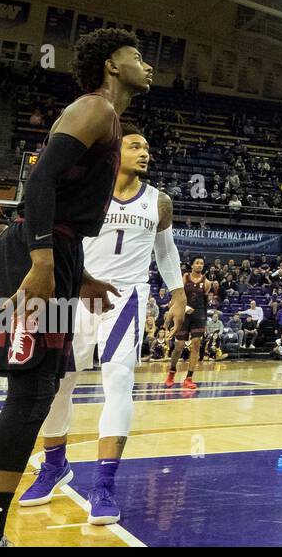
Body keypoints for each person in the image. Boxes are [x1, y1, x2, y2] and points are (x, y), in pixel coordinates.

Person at [0, 28, 150, 548]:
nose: (146, 65)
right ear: (111, 65)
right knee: (30, 388)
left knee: (39, 386)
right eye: (136, 56)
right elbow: (38, 184)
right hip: (35, 253)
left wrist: (75, 273)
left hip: (58, 256)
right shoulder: (95, 111)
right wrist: (42, 263)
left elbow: (63, 205)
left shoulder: (108, 118)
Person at [19, 125, 186, 527]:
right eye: (134, 146)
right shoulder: (87, 189)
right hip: (74, 291)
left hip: (127, 297)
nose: (144, 152)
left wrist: (178, 293)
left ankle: (104, 484)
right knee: (57, 383)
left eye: (147, 146)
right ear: (115, 152)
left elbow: (166, 250)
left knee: (119, 379)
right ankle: (55, 465)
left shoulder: (159, 202)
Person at [164, 258, 209, 391]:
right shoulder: (184, 278)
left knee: (196, 344)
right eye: (197, 263)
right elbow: (178, 297)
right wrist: (183, 308)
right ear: (192, 265)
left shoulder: (206, 282)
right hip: (183, 313)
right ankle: (172, 372)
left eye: (201, 263)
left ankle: (189, 378)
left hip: (198, 315)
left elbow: (205, 303)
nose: (199, 265)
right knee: (179, 346)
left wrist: (204, 320)